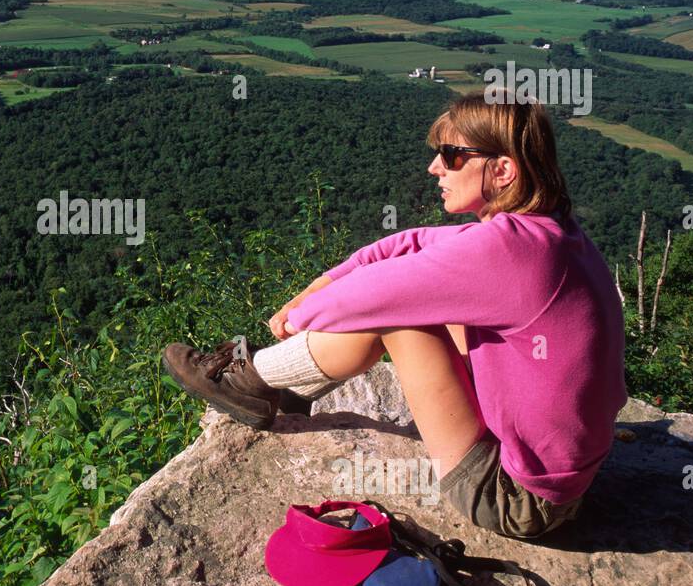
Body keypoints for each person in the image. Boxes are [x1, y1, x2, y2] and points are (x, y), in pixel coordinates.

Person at [162, 92, 627, 539]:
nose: (435, 167)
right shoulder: (547, 232)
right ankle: (276, 386)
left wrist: (300, 315)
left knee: (400, 318)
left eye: (451, 155)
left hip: (515, 497)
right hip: (563, 480)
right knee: (416, 302)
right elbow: (410, 243)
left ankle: (254, 380)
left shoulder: (506, 251)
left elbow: (367, 299)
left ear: (503, 169)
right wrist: (319, 284)